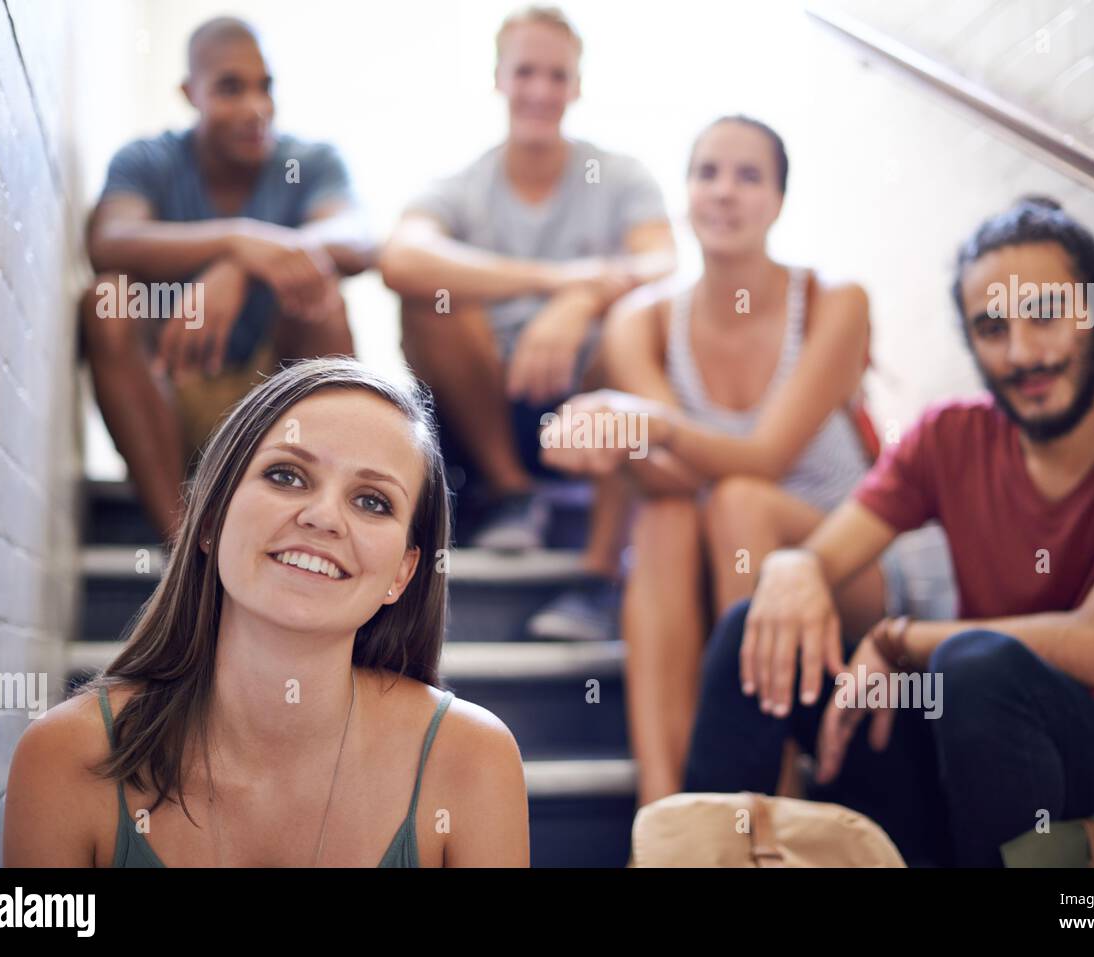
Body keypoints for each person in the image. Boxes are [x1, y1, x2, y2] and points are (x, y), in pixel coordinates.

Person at [683, 196, 1094, 867]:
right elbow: (823, 555)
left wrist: (899, 644)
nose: (1022, 352)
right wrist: (789, 570)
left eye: (1044, 315)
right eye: (991, 327)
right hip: (971, 775)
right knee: (756, 623)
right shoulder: (951, 435)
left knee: (973, 665)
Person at [539, 116, 954, 806]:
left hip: (846, 558)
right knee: (667, 515)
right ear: (686, 193)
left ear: (779, 201)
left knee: (738, 498)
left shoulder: (834, 301)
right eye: (708, 173)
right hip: (723, 557)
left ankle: (766, 800)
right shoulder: (640, 321)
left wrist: (653, 424)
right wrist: (608, 444)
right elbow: (670, 471)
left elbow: (764, 458)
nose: (725, 192)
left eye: (748, 176)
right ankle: (664, 820)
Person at [3, 358, 529, 867]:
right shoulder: (66, 757)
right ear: (209, 519)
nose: (323, 517)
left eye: (371, 501)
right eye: (287, 476)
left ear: (402, 574)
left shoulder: (471, 760)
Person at [379, 5, 676, 641]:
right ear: (499, 78)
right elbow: (401, 258)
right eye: (526, 72)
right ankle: (511, 493)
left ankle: (600, 575)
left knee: (637, 319)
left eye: (557, 75)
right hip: (480, 409)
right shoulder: (462, 184)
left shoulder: (619, 175)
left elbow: (664, 262)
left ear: (577, 85)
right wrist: (559, 280)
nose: (541, 90)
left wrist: (583, 305)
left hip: (584, 405)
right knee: (431, 296)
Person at [81, 16, 375, 542]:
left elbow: (359, 241)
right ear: (189, 93)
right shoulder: (148, 159)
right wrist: (238, 239)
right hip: (171, 388)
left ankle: (319, 519)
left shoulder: (310, 161)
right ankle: (183, 543)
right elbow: (108, 240)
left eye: (265, 87)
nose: (255, 107)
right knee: (108, 299)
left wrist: (242, 264)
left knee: (320, 298)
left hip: (271, 405)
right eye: (230, 88)